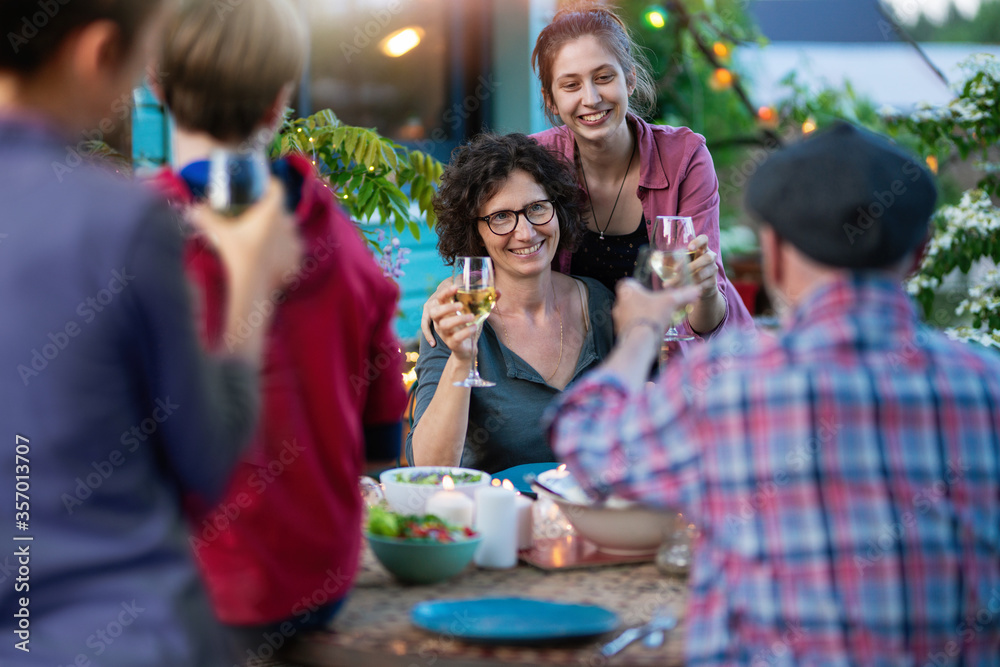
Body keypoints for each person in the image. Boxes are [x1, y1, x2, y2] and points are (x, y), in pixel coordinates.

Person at [547, 122, 1000, 664]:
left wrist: (642, 332)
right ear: (920, 253)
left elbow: (582, 442)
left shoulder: (727, 384)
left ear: (775, 254)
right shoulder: (987, 387)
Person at [0, 2, 302, 666]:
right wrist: (252, 278)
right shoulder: (121, 219)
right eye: (141, 61)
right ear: (97, 52)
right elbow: (206, 458)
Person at [150, 0, 408, 658]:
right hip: (318, 583)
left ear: (159, 92)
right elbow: (382, 441)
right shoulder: (347, 250)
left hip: (182, 589)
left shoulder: (135, 238)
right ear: (279, 103)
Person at [406, 133, 615, 473]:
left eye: (536, 208)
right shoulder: (455, 318)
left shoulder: (599, 303)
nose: (526, 232)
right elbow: (429, 467)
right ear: (476, 232)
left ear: (558, 209)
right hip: (495, 520)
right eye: (501, 216)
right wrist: (462, 359)